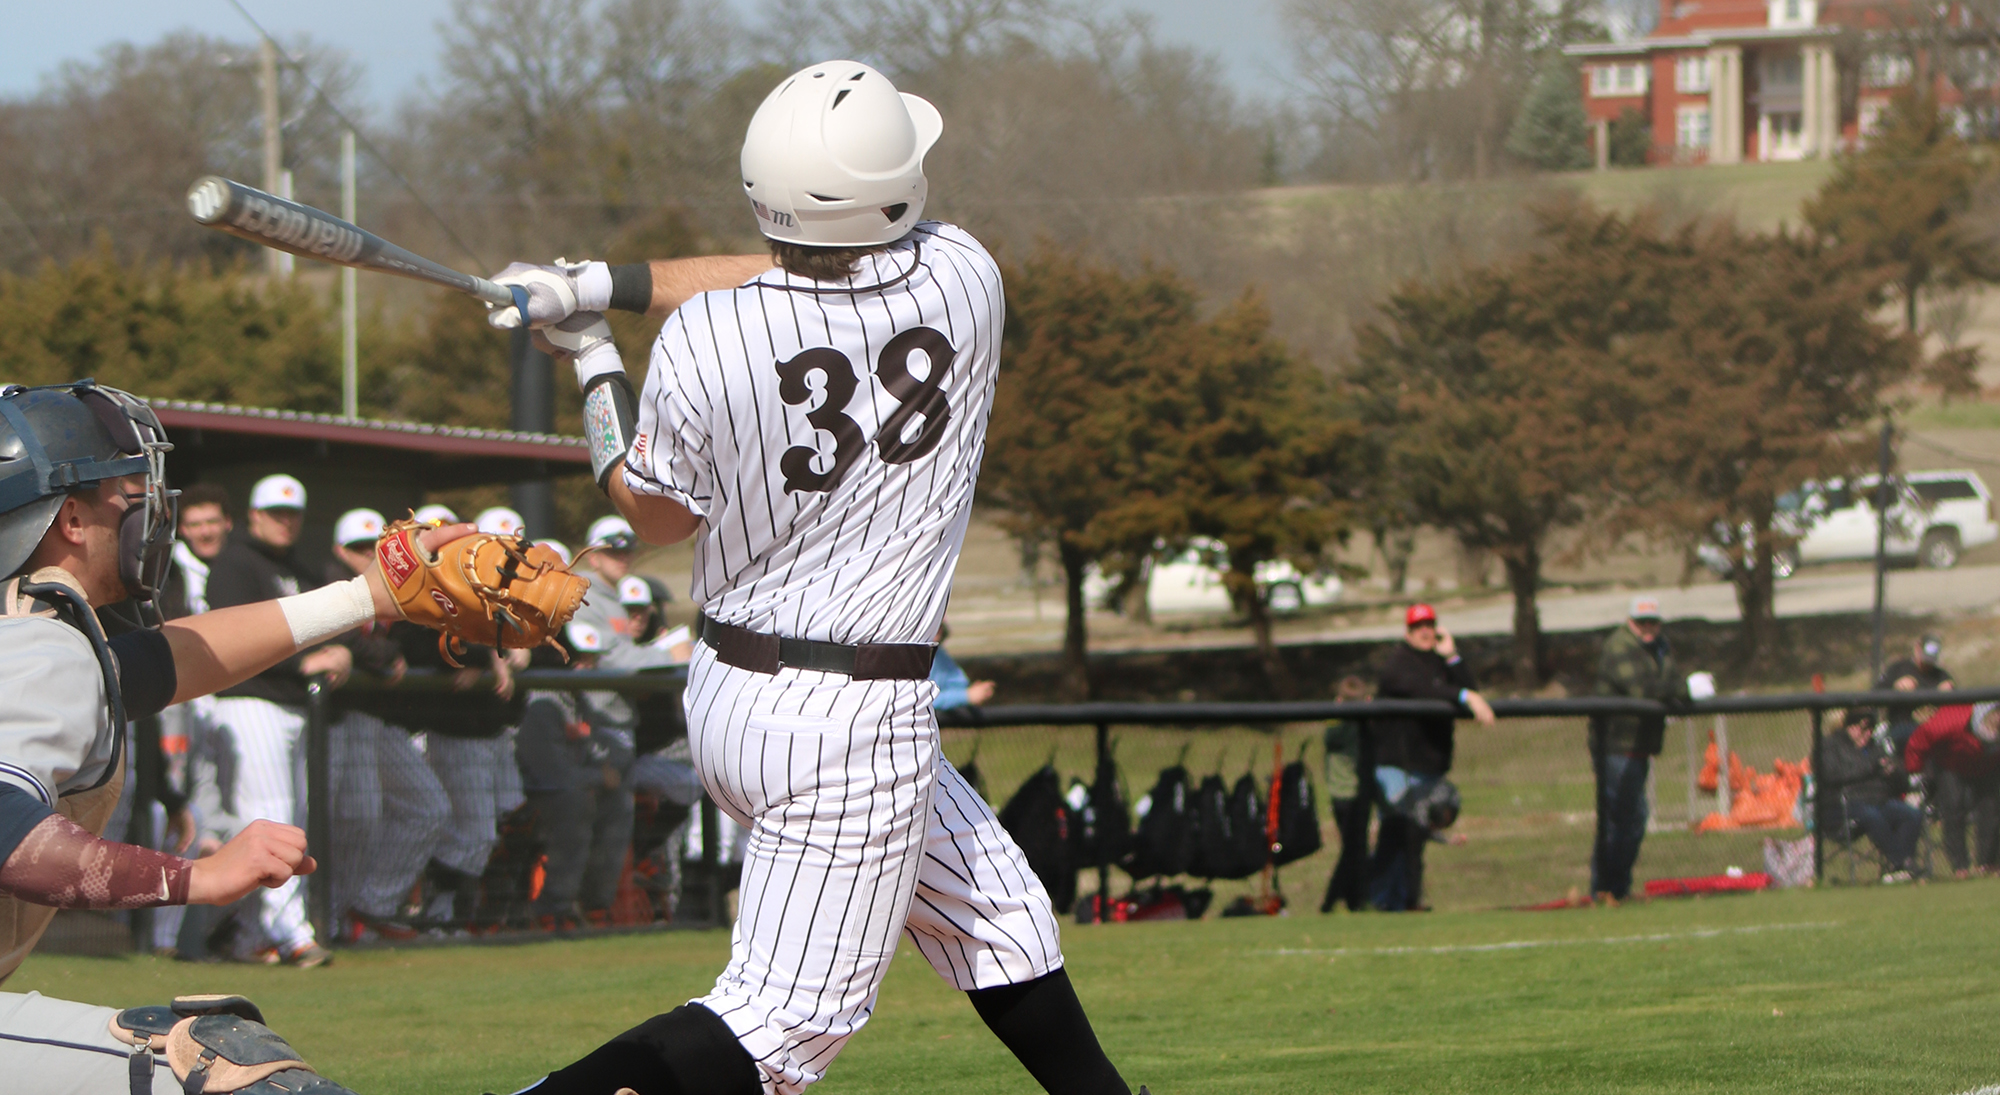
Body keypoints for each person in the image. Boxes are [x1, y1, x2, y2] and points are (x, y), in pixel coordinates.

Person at [487, 60, 1143, 1095]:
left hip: (732, 693)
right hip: (855, 716)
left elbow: (649, 512)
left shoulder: (703, 338)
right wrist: (601, 286)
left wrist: (591, 349)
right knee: (783, 1025)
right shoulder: (965, 275)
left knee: (997, 912)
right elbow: (814, 260)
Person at [0, 378, 471, 1094]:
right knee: (224, 1064)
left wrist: (365, 597)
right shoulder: (40, 646)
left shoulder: (28, 630)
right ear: (70, 517)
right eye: (122, 490)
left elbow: (174, 658)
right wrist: (201, 876)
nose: (140, 507)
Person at [199, 474, 346, 967]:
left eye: (292, 514)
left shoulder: (299, 568)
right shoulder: (234, 563)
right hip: (249, 703)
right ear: (254, 516)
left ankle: (249, 936)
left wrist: (340, 653)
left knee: (292, 818)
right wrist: (302, 661)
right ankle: (292, 935)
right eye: (275, 513)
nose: (285, 521)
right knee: (274, 818)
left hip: (291, 707)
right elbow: (233, 639)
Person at [324, 508, 450, 940]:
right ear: (339, 551)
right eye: (357, 547)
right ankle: (329, 918)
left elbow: (428, 642)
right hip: (334, 719)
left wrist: (486, 656)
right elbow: (338, 635)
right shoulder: (329, 583)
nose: (366, 555)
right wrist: (381, 655)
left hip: (379, 722)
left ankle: (369, 906)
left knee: (427, 809)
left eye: (373, 547)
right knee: (344, 819)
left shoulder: (405, 584)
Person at [1369, 604, 1494, 912]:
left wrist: (1453, 657)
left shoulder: (1439, 662)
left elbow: (1469, 690)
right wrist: (1463, 695)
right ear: (1407, 632)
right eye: (1418, 627)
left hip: (1428, 764)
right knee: (1396, 833)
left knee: (1415, 837)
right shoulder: (1398, 663)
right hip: (1397, 764)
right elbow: (1424, 690)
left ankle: (1407, 899)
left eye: (1430, 625)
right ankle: (1382, 900)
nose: (1425, 632)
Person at [1588, 596, 1690, 904]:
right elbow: (1642, 690)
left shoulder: (1660, 647)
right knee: (1622, 819)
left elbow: (1674, 684)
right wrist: (1678, 690)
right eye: (1641, 622)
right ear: (1630, 622)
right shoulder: (1619, 647)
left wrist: (1677, 689)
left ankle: (1616, 888)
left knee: (1631, 819)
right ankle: (1606, 889)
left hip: (1639, 746)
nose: (1648, 628)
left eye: (1653, 622)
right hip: (1616, 746)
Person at [1819, 708, 1923, 881]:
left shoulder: (1875, 747)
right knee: (1871, 815)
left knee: (1911, 815)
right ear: (1849, 727)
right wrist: (1872, 767)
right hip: (1841, 806)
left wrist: (1893, 772)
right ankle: (1902, 864)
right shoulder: (1830, 746)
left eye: (1871, 729)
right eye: (1863, 728)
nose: (1867, 734)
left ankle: (1900, 870)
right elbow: (1833, 775)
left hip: (1876, 801)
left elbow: (1900, 781)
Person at [1906, 701, 2000, 878]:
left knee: (1992, 811)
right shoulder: (1950, 720)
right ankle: (1960, 866)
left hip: (1988, 766)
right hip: (1950, 764)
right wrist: (1914, 776)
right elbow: (1917, 742)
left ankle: (1987, 863)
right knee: (1954, 808)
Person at [1319, 675, 1374, 914]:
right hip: (1347, 792)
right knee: (1353, 849)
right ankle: (1334, 900)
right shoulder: (1343, 725)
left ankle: (1353, 899)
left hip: (1351, 791)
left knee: (1355, 848)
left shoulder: (1344, 722)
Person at [1878, 634, 1954, 749]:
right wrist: (1896, 687)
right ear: (1917, 649)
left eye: (1930, 660)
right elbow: (1876, 693)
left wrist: (1949, 693)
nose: (1927, 664)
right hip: (1903, 726)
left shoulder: (1941, 676)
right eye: (1924, 658)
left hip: (1934, 727)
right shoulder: (1899, 668)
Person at [931, 622, 995, 711]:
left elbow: (957, 683)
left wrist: (974, 692)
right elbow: (922, 700)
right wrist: (966, 696)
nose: (938, 627)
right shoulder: (915, 657)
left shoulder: (939, 654)